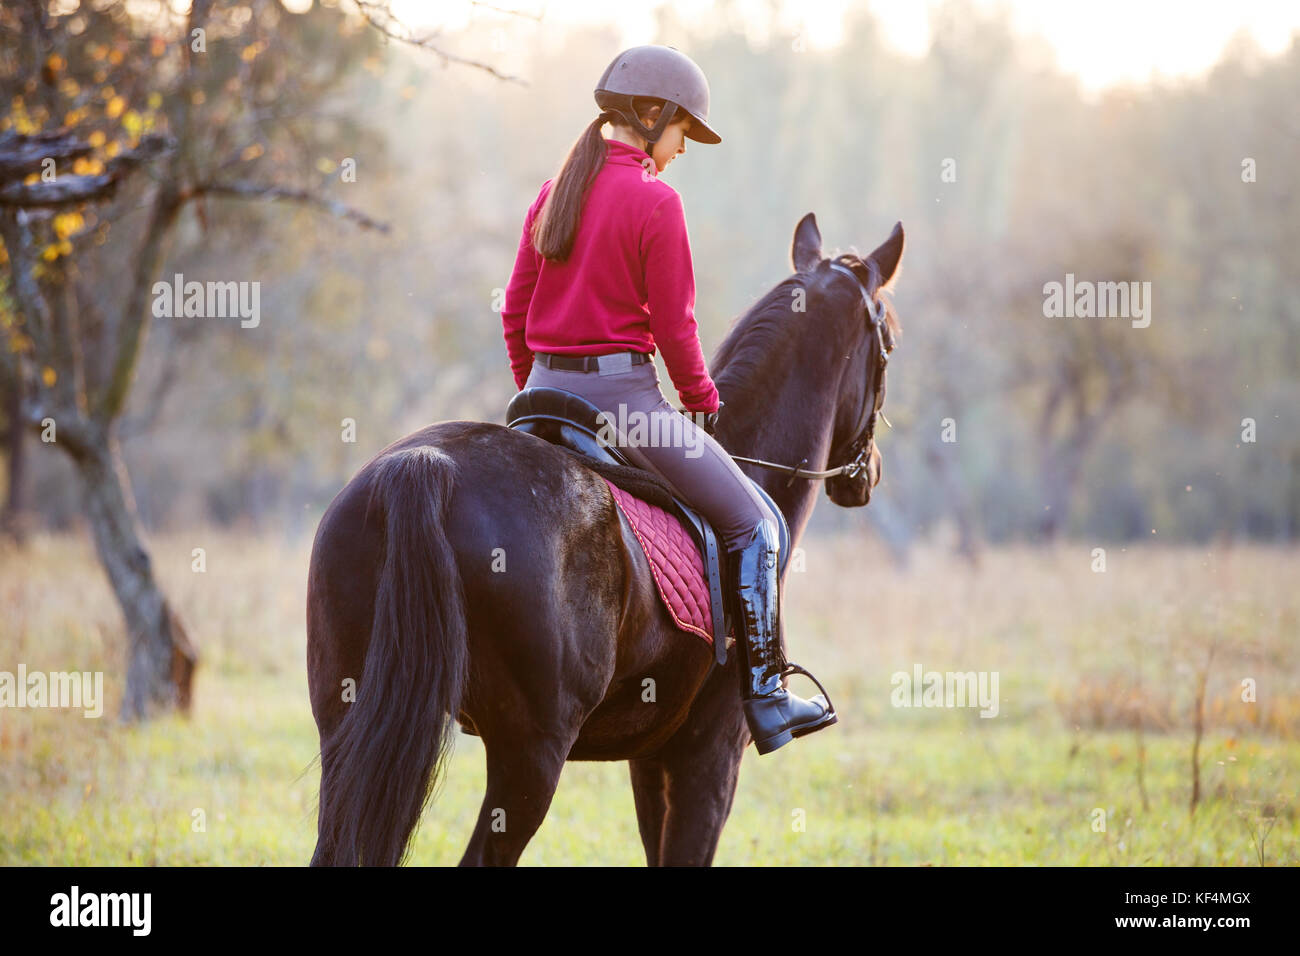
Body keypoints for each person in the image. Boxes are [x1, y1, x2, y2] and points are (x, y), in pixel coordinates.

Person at [499, 44, 835, 755]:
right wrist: (699, 395)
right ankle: (768, 697)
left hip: (540, 397)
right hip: (624, 404)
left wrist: (536, 386)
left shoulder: (551, 193)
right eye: (683, 131)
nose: (683, 149)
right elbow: (674, 325)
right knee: (755, 521)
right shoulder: (655, 200)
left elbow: (514, 311)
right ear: (650, 117)